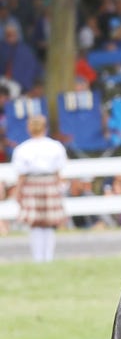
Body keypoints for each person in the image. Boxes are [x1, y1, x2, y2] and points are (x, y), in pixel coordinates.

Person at [11, 112, 69, 262]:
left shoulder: (23, 148)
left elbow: (21, 175)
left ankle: (38, 258)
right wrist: (60, 187)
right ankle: (47, 258)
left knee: (36, 224)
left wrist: (18, 192)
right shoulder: (55, 146)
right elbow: (58, 171)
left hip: (31, 184)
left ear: (29, 128)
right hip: (49, 183)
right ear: (45, 127)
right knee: (48, 224)